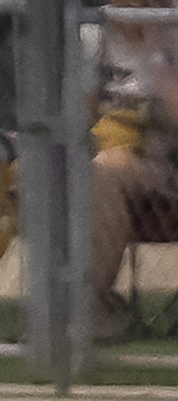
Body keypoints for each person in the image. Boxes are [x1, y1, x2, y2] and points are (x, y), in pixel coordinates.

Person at [86, 0, 178, 334]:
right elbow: (80, 116)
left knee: (105, 173)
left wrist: (154, 51)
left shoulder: (170, 31)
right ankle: (58, 313)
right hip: (104, 153)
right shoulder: (92, 36)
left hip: (162, 160)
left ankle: (88, 308)